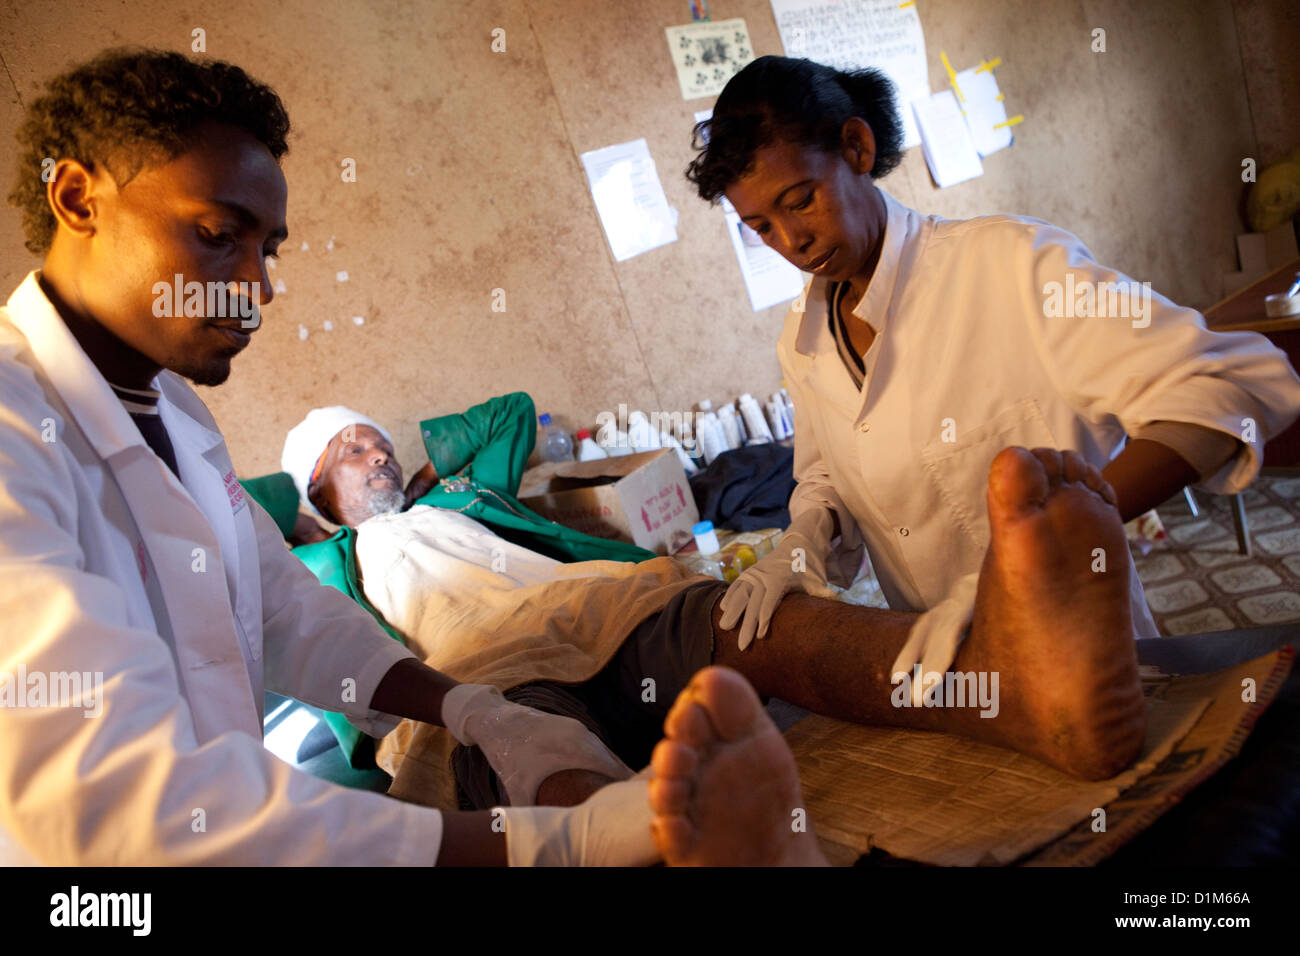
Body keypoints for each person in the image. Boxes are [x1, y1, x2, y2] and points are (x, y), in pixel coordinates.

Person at [0, 47, 685, 867]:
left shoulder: (177, 412)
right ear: (79, 198)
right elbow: (122, 811)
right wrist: (550, 846)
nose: (257, 289)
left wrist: (476, 711)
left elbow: (286, 613)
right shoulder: (15, 425)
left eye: (270, 249)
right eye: (220, 235)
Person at [685, 56, 1300, 681]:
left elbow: (1233, 383)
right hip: (946, 677)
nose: (792, 241)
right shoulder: (803, 339)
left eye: (800, 201)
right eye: (761, 227)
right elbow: (827, 476)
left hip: (1082, 656)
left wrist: (1034, 551)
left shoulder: (1013, 267)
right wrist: (802, 543)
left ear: (856, 147)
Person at [277, 403, 1151, 821]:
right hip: (475, 674)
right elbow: (319, 658)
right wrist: (303, 513)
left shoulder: (459, 501)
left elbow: (505, 420)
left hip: (593, 615)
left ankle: (1009, 689)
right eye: (349, 453)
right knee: (523, 756)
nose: (374, 454)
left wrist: (425, 466)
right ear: (319, 487)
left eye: (375, 440)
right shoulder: (319, 563)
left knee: (747, 618)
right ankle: (661, 847)